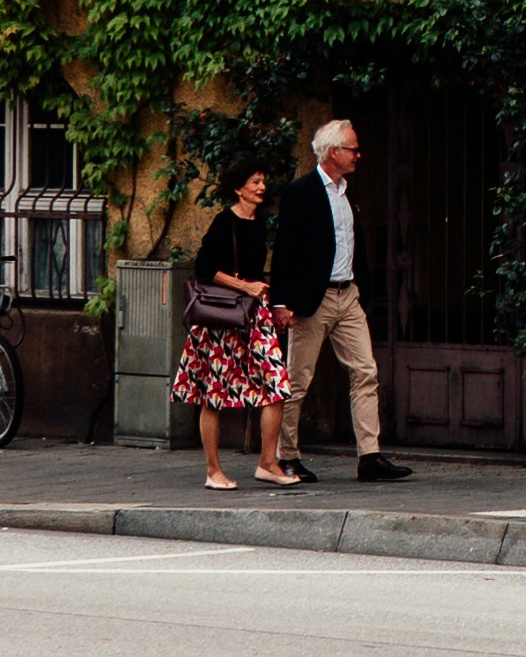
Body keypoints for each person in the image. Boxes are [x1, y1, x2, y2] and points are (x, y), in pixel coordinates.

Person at [267, 115, 413, 483]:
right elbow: (284, 250)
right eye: (353, 148)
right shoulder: (301, 192)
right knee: (298, 380)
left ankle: (370, 456)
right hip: (311, 299)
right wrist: (281, 302)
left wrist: (363, 289)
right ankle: (287, 456)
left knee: (366, 372)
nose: (358, 155)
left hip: (347, 295)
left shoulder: (347, 192)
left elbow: (353, 245)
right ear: (333, 152)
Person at [168, 152, 301, 499]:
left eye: (262, 181)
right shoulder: (223, 222)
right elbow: (204, 267)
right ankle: (213, 470)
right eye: (255, 182)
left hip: (254, 316)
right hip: (221, 318)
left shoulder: (259, 222)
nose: (262, 186)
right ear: (239, 188)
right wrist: (245, 286)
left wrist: (269, 303)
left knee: (276, 384)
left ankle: (267, 463)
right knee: (214, 394)